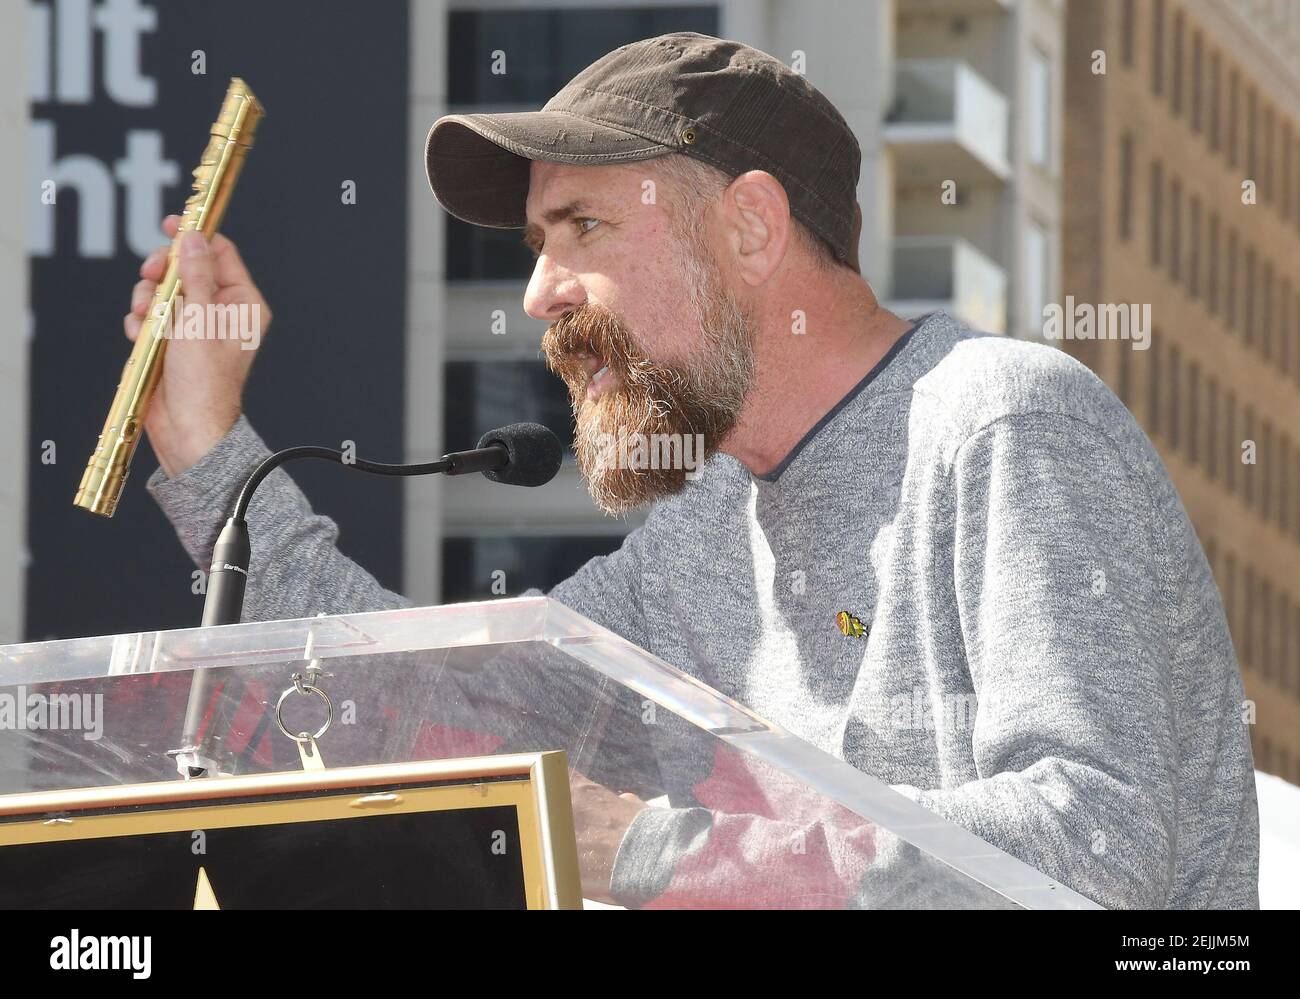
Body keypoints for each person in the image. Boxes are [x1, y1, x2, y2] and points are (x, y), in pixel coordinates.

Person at [129, 33, 1258, 908]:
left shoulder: (1003, 425)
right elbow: (415, 723)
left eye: (582, 229)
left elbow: (1096, 849)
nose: (539, 295)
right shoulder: (706, 535)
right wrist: (204, 443)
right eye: (536, 246)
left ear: (750, 230)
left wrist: (659, 854)